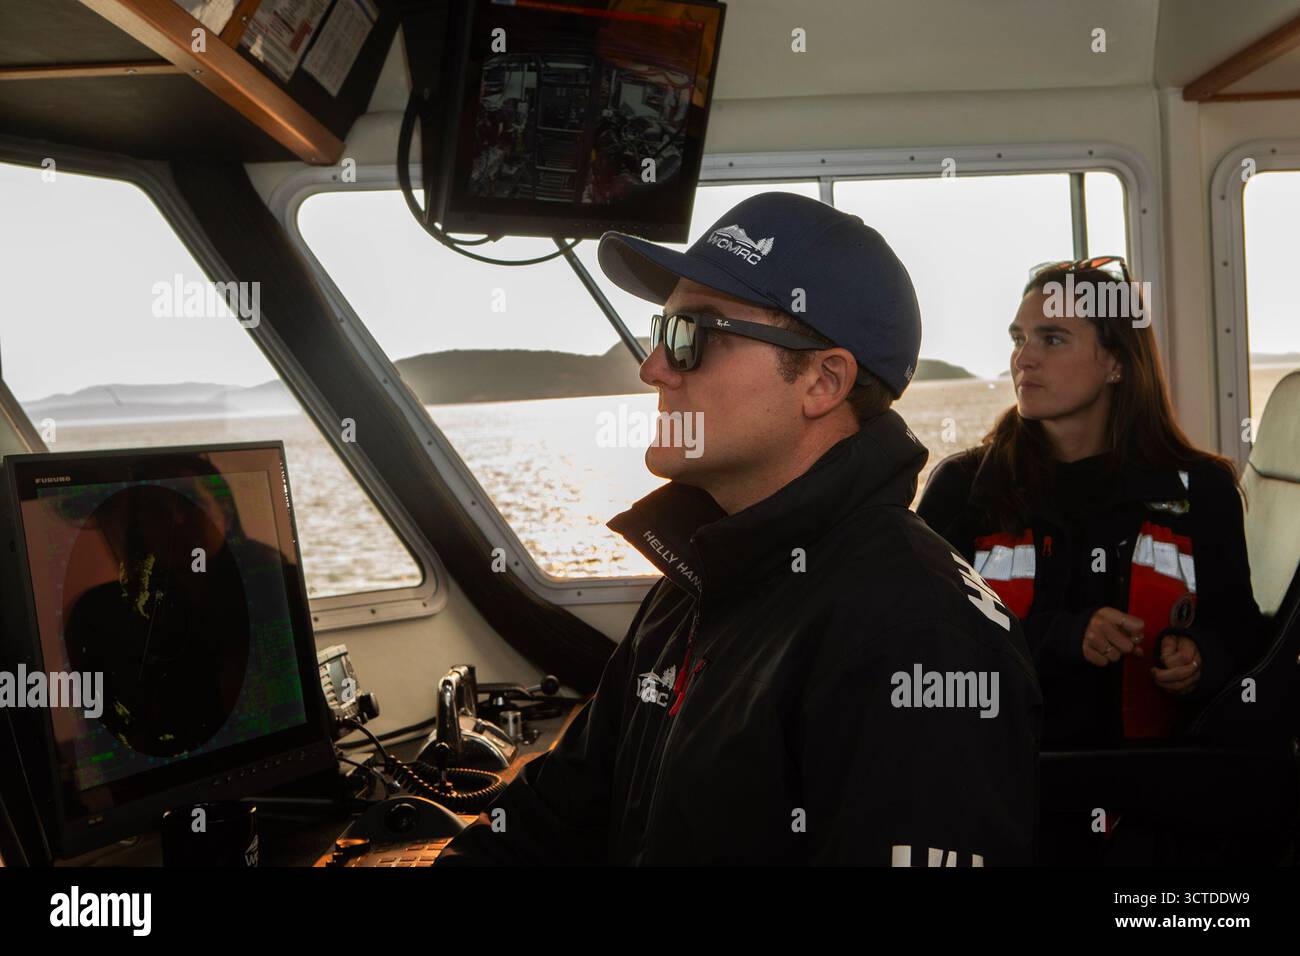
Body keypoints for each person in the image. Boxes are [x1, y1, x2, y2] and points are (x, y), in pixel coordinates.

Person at [436, 192, 1041, 866]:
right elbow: (551, 820)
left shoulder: (918, 627)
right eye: (660, 332)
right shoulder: (698, 582)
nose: (653, 369)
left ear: (822, 381)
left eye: (691, 337)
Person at [916, 258, 1266, 863]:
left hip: (1153, 806)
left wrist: (1201, 656)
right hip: (1002, 801)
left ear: (1115, 363)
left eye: (1052, 339)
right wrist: (1062, 635)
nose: (1024, 358)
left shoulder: (1200, 490)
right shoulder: (964, 489)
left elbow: (1241, 628)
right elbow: (920, 639)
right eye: (1018, 339)